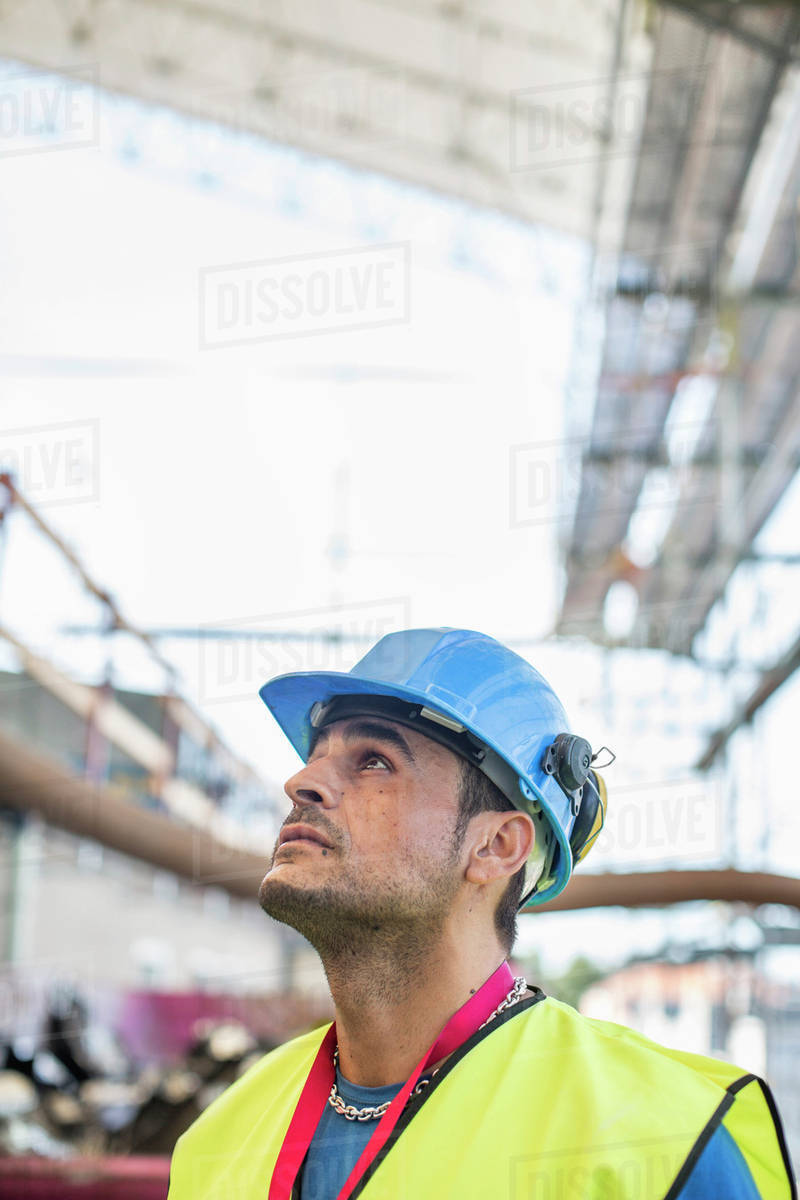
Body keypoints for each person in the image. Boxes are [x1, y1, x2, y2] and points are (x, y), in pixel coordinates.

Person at [168, 628, 795, 1199]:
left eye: (374, 761)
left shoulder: (658, 1143)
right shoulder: (220, 1135)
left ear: (496, 847)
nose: (302, 782)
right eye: (318, 754)